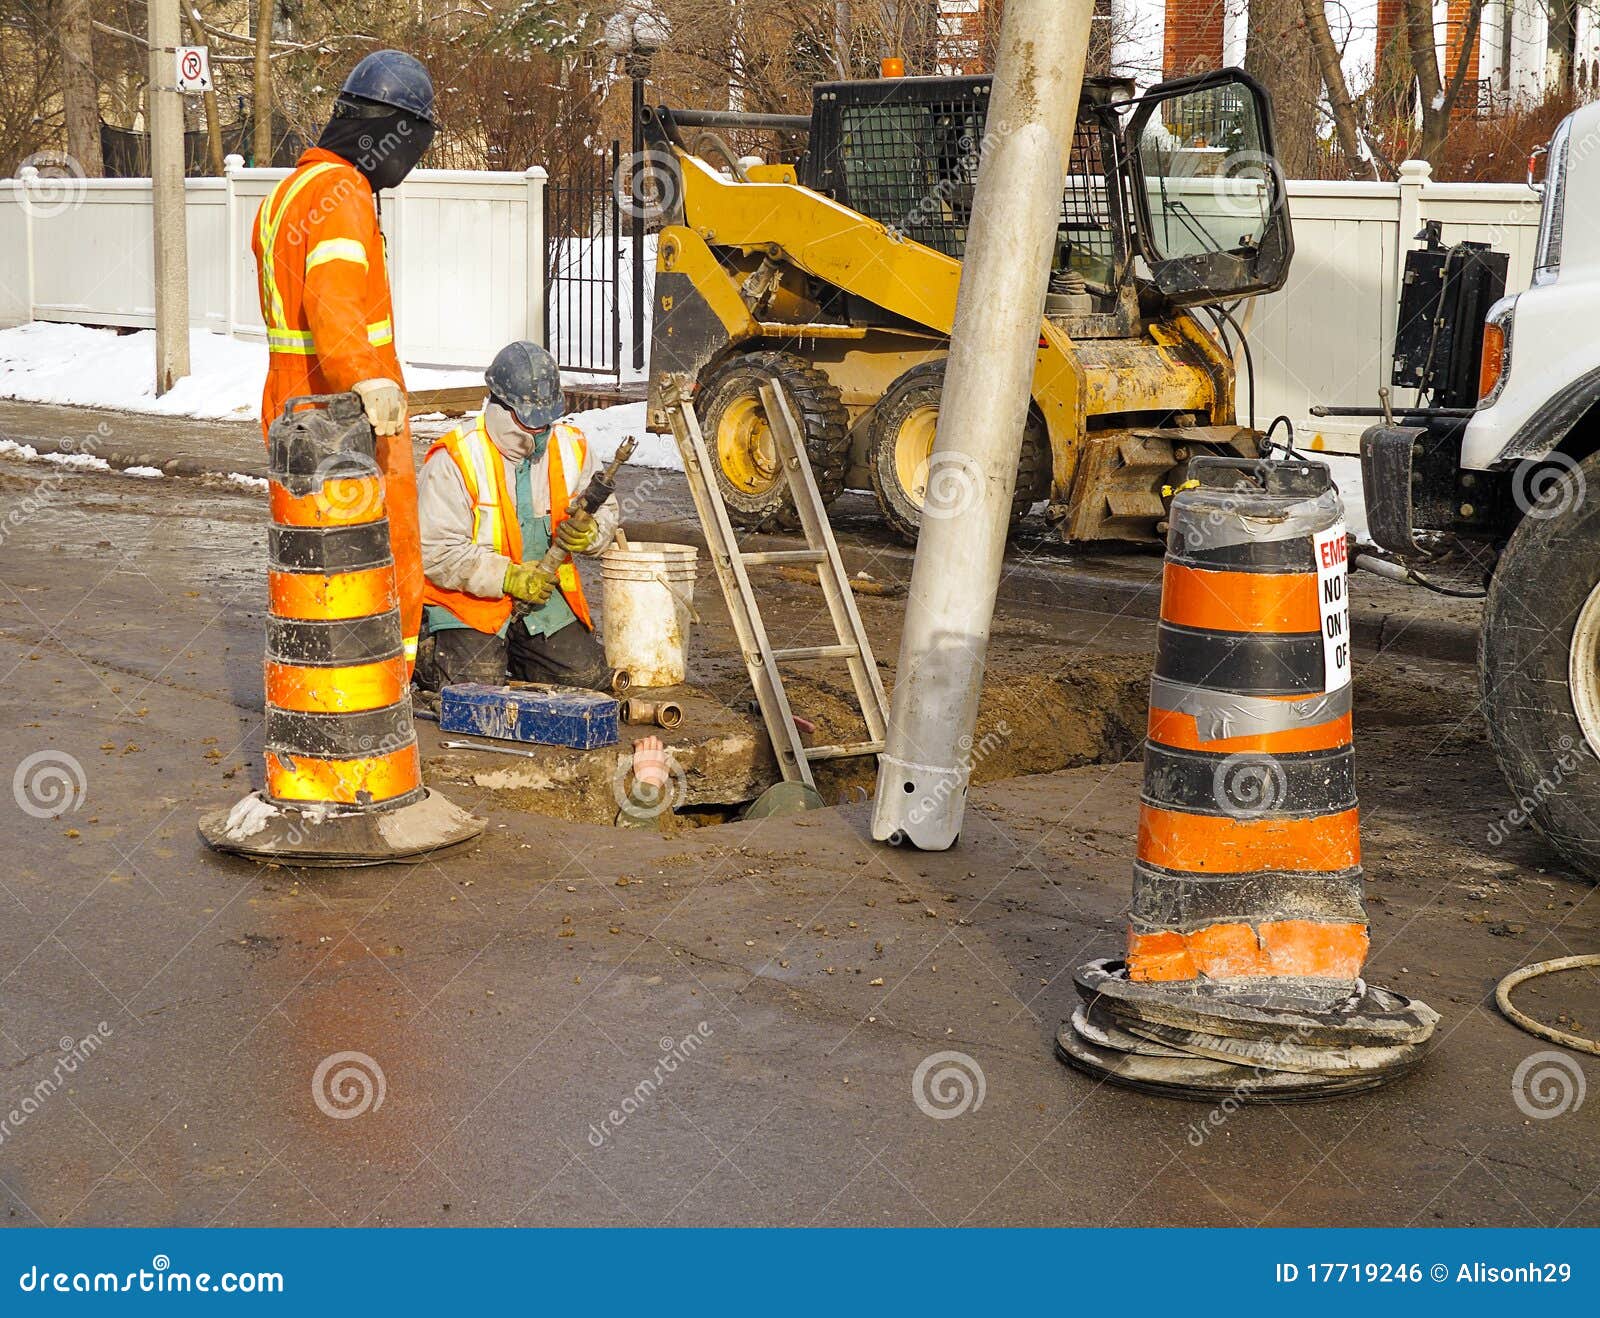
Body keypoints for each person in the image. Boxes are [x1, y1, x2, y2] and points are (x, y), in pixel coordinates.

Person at [251, 50, 439, 673]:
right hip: (347, 415)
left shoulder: (292, 188)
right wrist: (368, 381)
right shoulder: (343, 191)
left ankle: (320, 677)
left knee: (315, 555)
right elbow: (332, 302)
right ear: (395, 130)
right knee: (380, 550)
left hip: (293, 404)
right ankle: (387, 681)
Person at [414, 341, 620, 693]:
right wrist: (507, 576)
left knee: (587, 682)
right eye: (530, 421)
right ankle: (429, 652)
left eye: (546, 420)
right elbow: (436, 552)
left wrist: (594, 534)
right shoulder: (456, 459)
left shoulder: (572, 446)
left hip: (541, 603)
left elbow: (607, 511)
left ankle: (515, 654)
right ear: (499, 405)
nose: (540, 431)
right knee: (477, 692)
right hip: (468, 604)